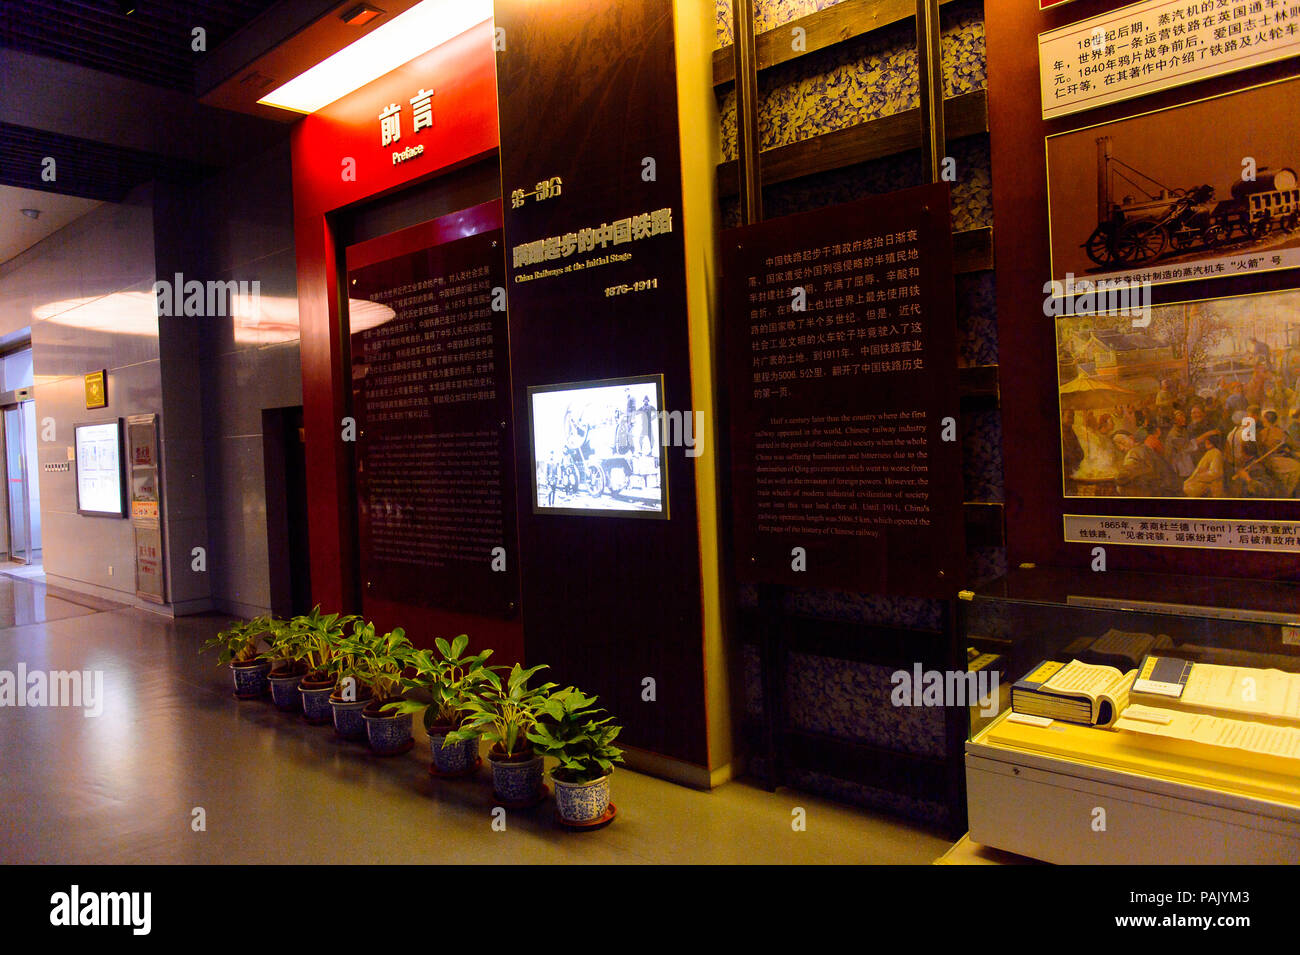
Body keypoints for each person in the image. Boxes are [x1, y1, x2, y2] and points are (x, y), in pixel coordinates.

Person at [1113, 430, 1179, 496]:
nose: (1121, 448)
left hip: (1158, 492)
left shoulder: (1134, 452)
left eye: (1122, 442)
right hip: (1167, 490)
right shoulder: (1145, 448)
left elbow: (1122, 477)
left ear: (1131, 438)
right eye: (1118, 446)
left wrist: (1116, 478)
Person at [1183, 431, 1225, 497]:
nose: (1205, 442)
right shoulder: (1210, 452)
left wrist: (1199, 476)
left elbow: (1214, 473)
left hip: (1211, 487)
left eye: (1207, 440)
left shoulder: (1216, 453)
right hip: (1204, 482)